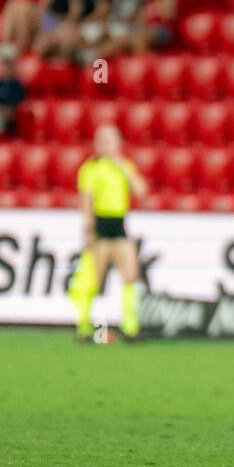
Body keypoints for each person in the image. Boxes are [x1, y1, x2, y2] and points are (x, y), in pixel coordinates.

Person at [69, 124, 149, 342]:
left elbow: (141, 191)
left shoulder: (125, 166)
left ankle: (130, 326)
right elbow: (87, 202)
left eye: (109, 140)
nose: (104, 144)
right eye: (100, 140)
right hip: (101, 226)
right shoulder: (90, 169)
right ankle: (84, 326)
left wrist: (122, 166)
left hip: (119, 225)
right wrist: (88, 231)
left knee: (131, 275)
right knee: (94, 279)